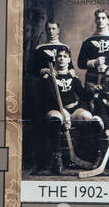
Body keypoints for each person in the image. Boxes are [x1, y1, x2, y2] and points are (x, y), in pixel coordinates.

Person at [39, 47, 93, 175]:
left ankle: (82, 154)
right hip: (56, 109)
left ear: (69, 60)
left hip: (72, 109)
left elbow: (83, 95)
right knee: (56, 119)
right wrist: (62, 110)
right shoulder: (49, 77)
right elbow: (50, 98)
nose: (62, 59)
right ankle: (57, 158)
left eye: (64, 56)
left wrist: (93, 92)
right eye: (59, 56)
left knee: (87, 117)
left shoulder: (73, 77)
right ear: (55, 59)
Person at [77, 8, 109, 91]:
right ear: (95, 20)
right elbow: (80, 63)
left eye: (103, 18)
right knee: (91, 103)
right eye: (98, 18)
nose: (100, 20)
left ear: (108, 20)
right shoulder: (88, 40)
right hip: (92, 79)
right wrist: (94, 63)